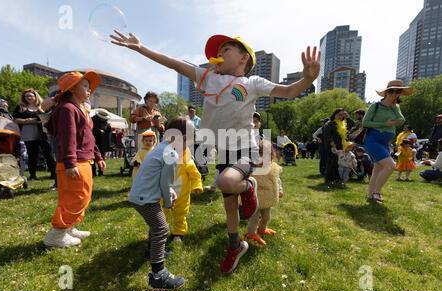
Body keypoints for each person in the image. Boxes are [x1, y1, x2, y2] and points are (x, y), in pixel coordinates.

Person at [111, 30, 320, 274]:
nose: (218, 55)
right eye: (218, 52)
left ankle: (249, 186)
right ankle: (235, 245)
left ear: (243, 58)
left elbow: (289, 92)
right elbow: (174, 63)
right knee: (230, 207)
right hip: (225, 152)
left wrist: (307, 78)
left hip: (245, 149)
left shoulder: (252, 83)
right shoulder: (209, 77)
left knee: (226, 181)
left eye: (225, 51)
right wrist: (141, 47)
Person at [128, 117, 195, 290]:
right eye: (189, 137)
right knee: (161, 229)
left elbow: (162, 179)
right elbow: (166, 184)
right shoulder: (170, 153)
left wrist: (168, 192)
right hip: (146, 199)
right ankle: (158, 276)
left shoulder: (161, 149)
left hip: (140, 196)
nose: (190, 142)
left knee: (155, 224)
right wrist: (167, 202)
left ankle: (151, 251)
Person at [43, 71, 106, 248]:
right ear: (71, 89)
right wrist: (70, 162)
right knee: (75, 197)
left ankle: (69, 227)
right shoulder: (67, 109)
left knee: (82, 196)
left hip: (84, 160)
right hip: (73, 162)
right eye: (85, 86)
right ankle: (57, 234)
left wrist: (98, 156)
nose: (90, 90)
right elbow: (67, 138)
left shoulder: (80, 109)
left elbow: (88, 138)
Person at [363, 80, 410, 204]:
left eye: (398, 91)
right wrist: (384, 124)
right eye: (392, 91)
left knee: (377, 169)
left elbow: (401, 120)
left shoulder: (395, 107)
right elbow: (365, 122)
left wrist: (394, 108)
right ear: (386, 92)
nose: (394, 94)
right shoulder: (376, 106)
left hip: (385, 143)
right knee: (390, 166)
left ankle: (370, 195)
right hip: (373, 140)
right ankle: (377, 193)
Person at [13, 89, 56, 184]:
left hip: (43, 133)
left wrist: (38, 119)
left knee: (48, 153)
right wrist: (29, 120)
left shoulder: (42, 106)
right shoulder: (20, 107)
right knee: (32, 154)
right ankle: (33, 175)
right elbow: (15, 119)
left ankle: (54, 173)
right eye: (27, 96)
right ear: (24, 98)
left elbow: (48, 116)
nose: (29, 97)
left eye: (31, 96)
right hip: (28, 133)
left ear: (35, 96)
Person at [244, 140, 283, 246]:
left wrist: (280, 190)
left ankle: (262, 229)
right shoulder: (251, 169)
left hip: (267, 198)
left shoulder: (273, 167)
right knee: (254, 218)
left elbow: (277, 179)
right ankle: (251, 233)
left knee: (266, 217)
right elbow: (245, 182)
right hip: (254, 199)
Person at [164, 145, 203, 242]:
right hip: (165, 190)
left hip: (181, 192)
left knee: (180, 213)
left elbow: (195, 174)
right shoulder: (164, 156)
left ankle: (178, 233)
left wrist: (197, 185)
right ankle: (161, 230)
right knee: (162, 211)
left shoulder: (187, 160)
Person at [323, 108, 349, 187]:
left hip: (341, 145)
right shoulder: (330, 123)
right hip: (332, 145)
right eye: (339, 114)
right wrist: (332, 144)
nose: (341, 116)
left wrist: (347, 117)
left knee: (340, 162)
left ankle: (338, 178)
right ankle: (329, 179)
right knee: (332, 162)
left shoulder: (343, 123)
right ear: (335, 114)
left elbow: (352, 125)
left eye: (342, 115)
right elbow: (327, 135)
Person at [91, 109, 112, 176]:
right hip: (93, 141)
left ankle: (101, 171)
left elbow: (109, 132)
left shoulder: (106, 123)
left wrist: (105, 132)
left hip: (102, 143)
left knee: (102, 157)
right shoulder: (92, 120)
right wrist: (98, 131)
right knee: (93, 157)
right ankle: (93, 172)